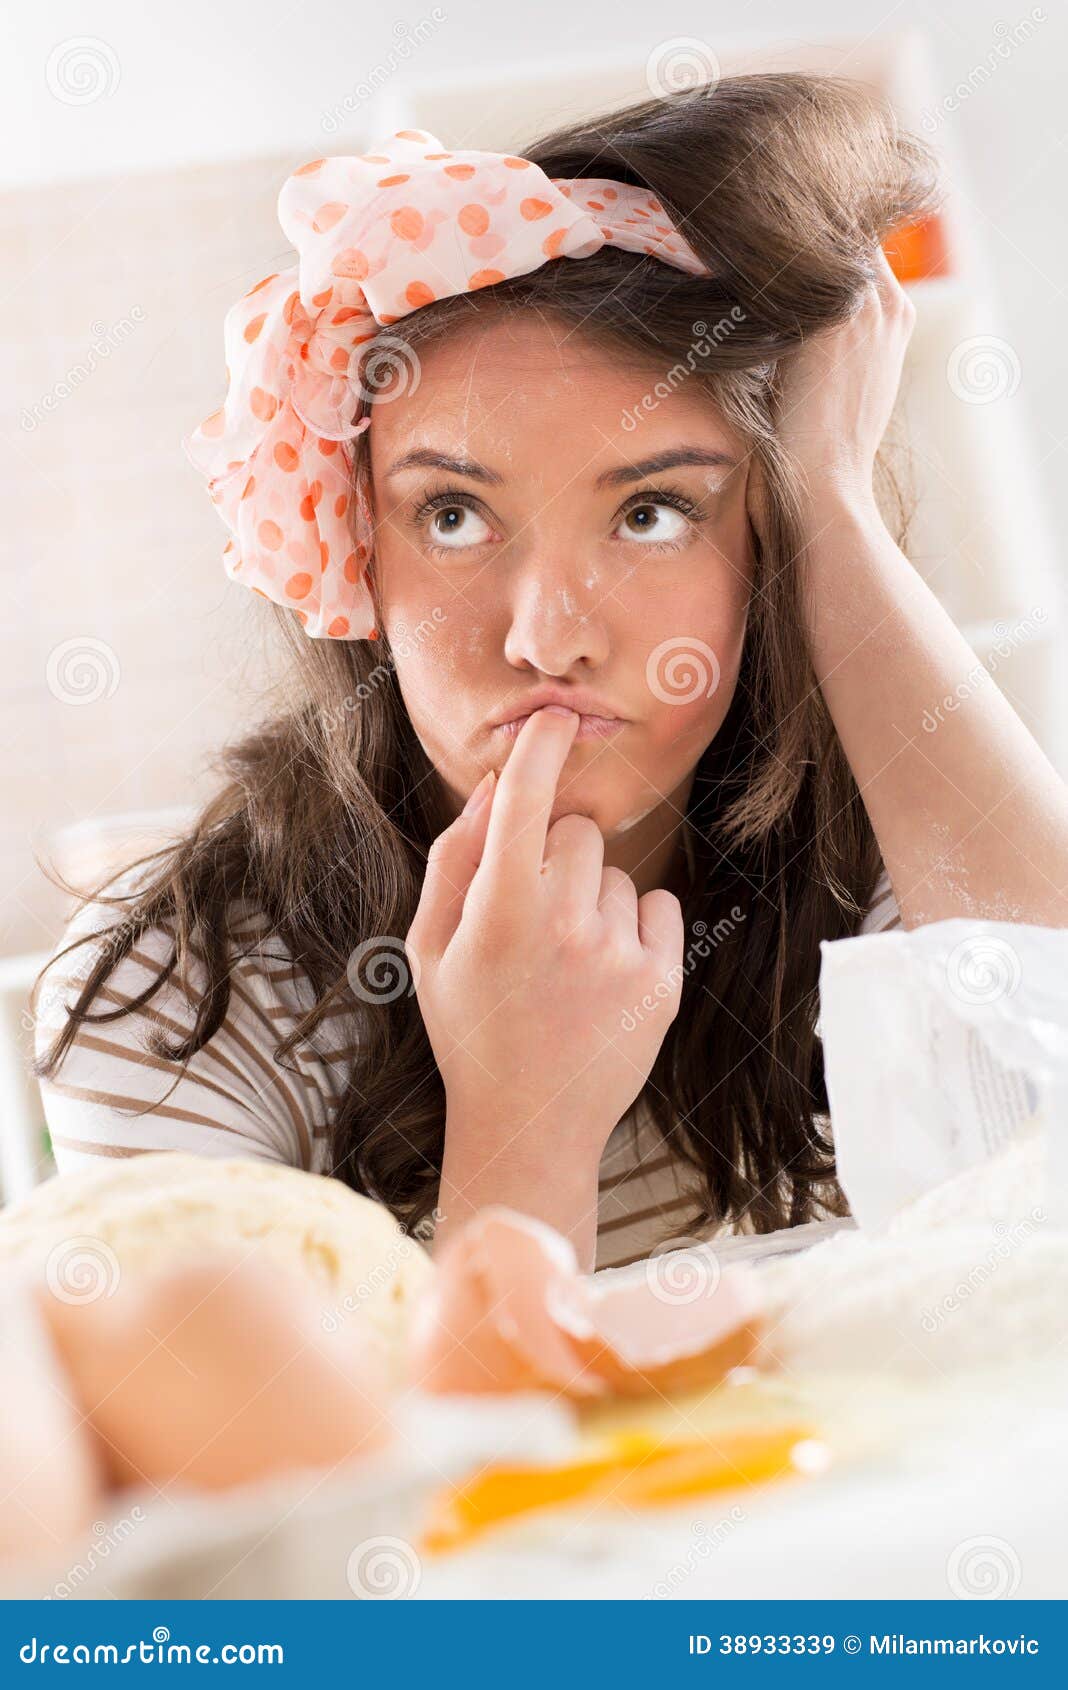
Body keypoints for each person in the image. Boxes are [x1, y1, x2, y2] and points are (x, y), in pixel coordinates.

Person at [30, 74, 1068, 1274]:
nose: (546, 637)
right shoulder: (172, 994)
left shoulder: (884, 856)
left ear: (763, 551)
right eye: (456, 515)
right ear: (355, 545)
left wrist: (828, 488)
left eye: (652, 512)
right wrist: (526, 1116)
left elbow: (1051, 1113)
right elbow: (352, 1460)